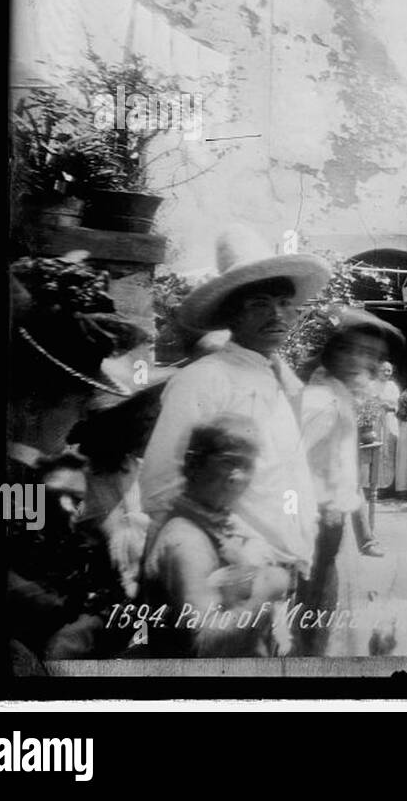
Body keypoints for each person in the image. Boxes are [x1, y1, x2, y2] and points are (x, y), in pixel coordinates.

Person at [141, 225, 331, 584]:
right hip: (229, 573)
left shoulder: (274, 376)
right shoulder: (205, 378)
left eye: (284, 304)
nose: (277, 315)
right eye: (259, 305)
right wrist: (228, 548)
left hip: (281, 568)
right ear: (232, 316)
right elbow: (161, 485)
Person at [5, 254, 152, 666]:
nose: (83, 416)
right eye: (76, 402)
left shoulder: (27, 475)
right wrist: (70, 616)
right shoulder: (0, 480)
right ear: (33, 406)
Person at [141, 415, 293, 657]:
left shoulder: (215, 521)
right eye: (228, 463)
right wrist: (267, 592)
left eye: (247, 465)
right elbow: (204, 645)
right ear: (193, 464)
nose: (238, 477)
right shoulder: (187, 540)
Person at [300, 309, 403, 631]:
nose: (368, 363)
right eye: (357, 351)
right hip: (311, 527)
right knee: (313, 620)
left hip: (331, 526)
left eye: (373, 354)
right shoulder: (320, 401)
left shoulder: (340, 395)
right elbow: (288, 467)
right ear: (336, 351)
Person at [364, 360, 402, 498]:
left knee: (390, 452)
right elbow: (366, 404)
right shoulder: (371, 385)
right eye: (383, 370)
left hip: (390, 420)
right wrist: (377, 404)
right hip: (376, 421)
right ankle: (374, 487)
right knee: (376, 453)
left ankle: (389, 486)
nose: (386, 373)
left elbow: (399, 405)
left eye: (389, 371)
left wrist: (390, 407)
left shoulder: (392, 386)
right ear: (377, 371)